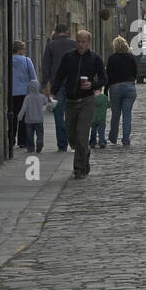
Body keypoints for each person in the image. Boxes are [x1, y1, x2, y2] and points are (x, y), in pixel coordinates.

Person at [52, 29, 106, 178]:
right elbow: (59, 75)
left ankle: (79, 169)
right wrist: (52, 92)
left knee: (82, 135)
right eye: (79, 41)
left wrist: (93, 85)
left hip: (87, 101)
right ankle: (85, 152)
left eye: (84, 42)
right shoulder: (68, 57)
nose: (81, 44)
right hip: (70, 101)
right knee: (72, 136)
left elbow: (103, 79)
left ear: (89, 42)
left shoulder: (95, 59)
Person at [41, 24, 77, 151]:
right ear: (67, 31)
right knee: (73, 114)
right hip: (73, 84)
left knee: (58, 114)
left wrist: (44, 85)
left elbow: (46, 66)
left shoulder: (51, 45)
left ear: (56, 32)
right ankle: (73, 142)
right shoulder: (74, 44)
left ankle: (62, 144)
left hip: (57, 85)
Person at [105, 35, 138, 145]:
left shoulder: (112, 58)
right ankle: (125, 138)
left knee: (115, 114)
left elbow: (108, 76)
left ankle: (113, 137)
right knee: (127, 114)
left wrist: (105, 90)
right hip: (129, 87)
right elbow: (135, 72)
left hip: (115, 88)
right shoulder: (131, 57)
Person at [10, 41, 37, 149]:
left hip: (11, 93)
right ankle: (22, 141)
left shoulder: (8, 60)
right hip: (24, 93)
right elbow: (33, 77)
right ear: (20, 50)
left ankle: (10, 140)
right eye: (24, 49)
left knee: (11, 117)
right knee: (23, 117)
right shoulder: (26, 60)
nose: (25, 51)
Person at [18, 79, 47, 153]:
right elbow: (45, 102)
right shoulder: (41, 97)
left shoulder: (27, 97)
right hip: (39, 120)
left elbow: (24, 108)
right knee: (40, 133)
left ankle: (30, 148)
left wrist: (20, 116)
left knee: (29, 135)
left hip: (29, 120)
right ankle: (40, 142)